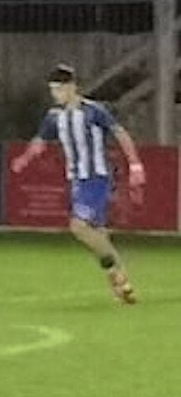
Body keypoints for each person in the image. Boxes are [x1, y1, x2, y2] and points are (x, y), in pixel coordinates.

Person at [10, 63, 146, 303]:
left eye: (59, 89)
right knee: (98, 234)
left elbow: (120, 134)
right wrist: (25, 158)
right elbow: (40, 141)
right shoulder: (54, 116)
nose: (55, 95)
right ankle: (122, 283)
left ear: (72, 87)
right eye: (53, 90)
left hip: (97, 178)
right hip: (76, 180)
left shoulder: (93, 111)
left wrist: (135, 165)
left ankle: (115, 273)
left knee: (79, 227)